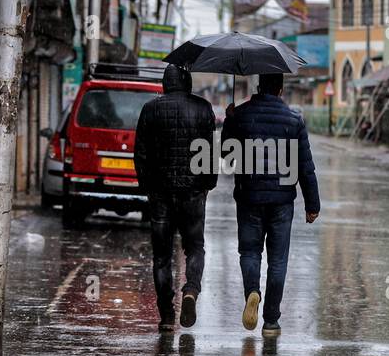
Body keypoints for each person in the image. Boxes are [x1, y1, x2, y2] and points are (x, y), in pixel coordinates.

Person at [222, 73, 320, 338]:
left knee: (250, 253)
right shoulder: (293, 119)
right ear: (280, 89)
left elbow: (227, 156)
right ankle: (271, 322)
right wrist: (312, 205)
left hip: (249, 197)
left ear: (257, 87)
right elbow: (305, 167)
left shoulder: (241, 115)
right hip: (281, 201)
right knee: (278, 261)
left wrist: (230, 122)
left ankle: (252, 291)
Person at [134, 64, 217, 331]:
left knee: (161, 256)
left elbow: (141, 153)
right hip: (193, 193)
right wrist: (208, 183)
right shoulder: (204, 109)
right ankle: (191, 289)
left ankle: (167, 315)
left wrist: (147, 186)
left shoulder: (150, 109)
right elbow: (210, 154)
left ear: (165, 83)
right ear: (189, 82)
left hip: (160, 194)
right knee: (194, 247)